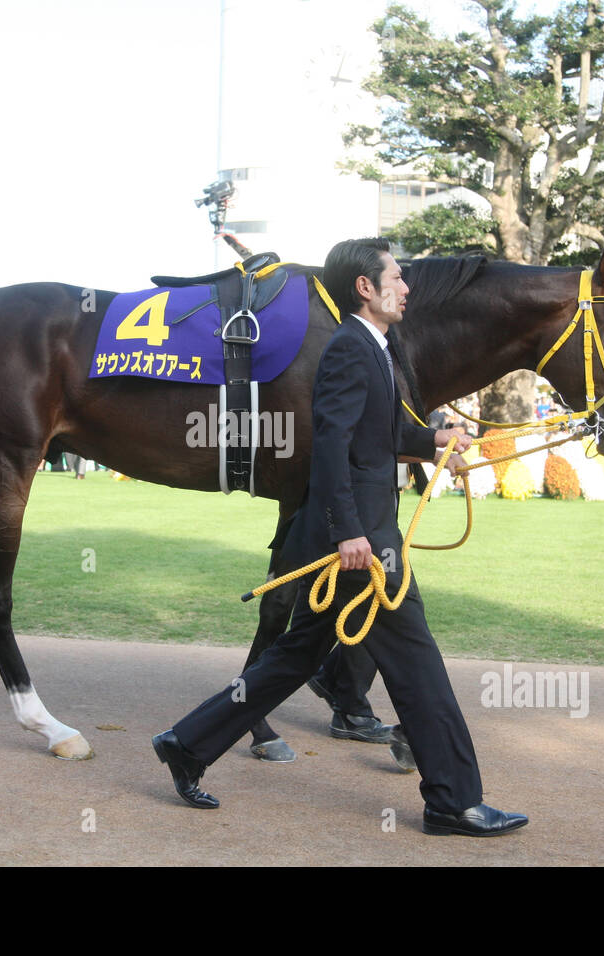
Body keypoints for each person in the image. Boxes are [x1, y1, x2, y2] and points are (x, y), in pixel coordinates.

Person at [152, 238, 528, 837]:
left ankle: (186, 743)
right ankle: (454, 802)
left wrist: (435, 444)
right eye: (397, 279)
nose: (406, 288)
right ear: (365, 287)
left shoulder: (375, 346)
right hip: (364, 544)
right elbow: (327, 447)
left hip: (357, 537)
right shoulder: (353, 349)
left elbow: (372, 437)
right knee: (418, 664)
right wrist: (350, 533)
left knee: (295, 657)